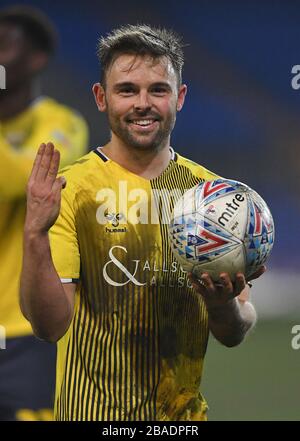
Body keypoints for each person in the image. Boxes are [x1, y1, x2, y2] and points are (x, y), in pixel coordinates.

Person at [20, 24, 264, 421]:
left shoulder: (214, 199)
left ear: (180, 97)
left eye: (158, 90)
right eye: (127, 89)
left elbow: (234, 330)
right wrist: (34, 233)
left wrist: (222, 307)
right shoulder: (72, 189)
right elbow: (49, 327)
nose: (143, 103)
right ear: (101, 98)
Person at [0, 6, 88, 421]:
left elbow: (22, 177)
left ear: (35, 59)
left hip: (25, 328)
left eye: (4, 44)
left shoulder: (62, 123)